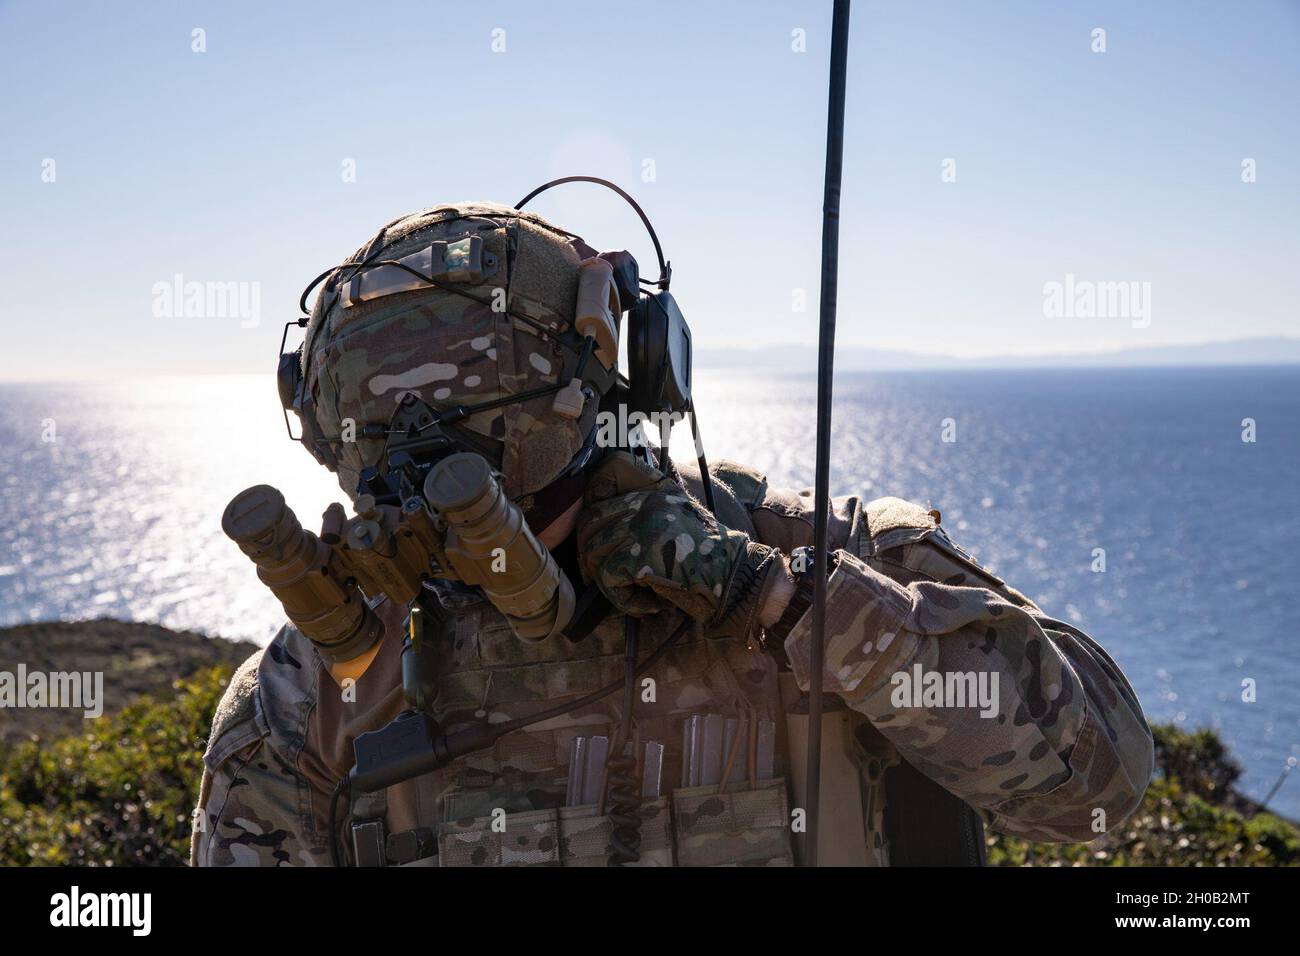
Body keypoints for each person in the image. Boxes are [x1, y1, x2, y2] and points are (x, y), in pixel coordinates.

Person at [192, 201, 1153, 867]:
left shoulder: (805, 564)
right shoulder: (317, 684)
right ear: (637, 364)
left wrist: (770, 599)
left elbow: (1099, 789)